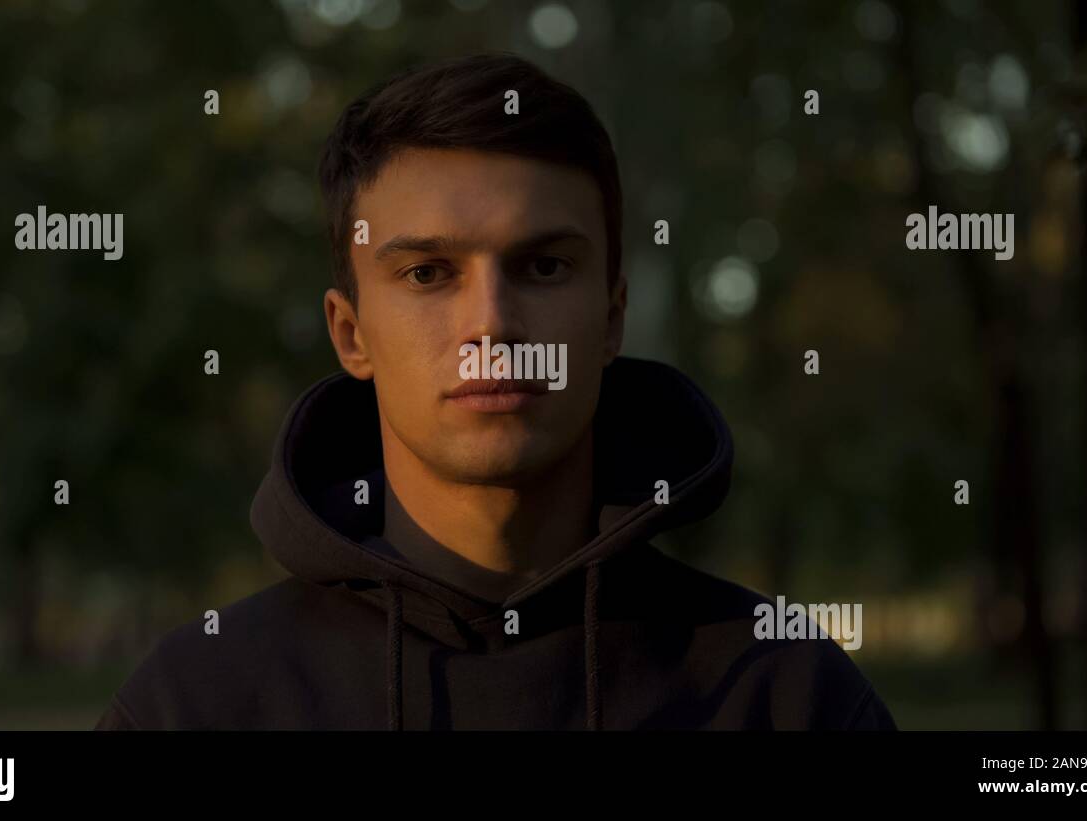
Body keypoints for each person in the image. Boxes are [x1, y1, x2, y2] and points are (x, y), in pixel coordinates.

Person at [95, 52, 896, 730]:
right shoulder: (196, 703)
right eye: (427, 273)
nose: (492, 326)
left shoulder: (785, 693)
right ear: (352, 334)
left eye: (544, 266)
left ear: (611, 317)